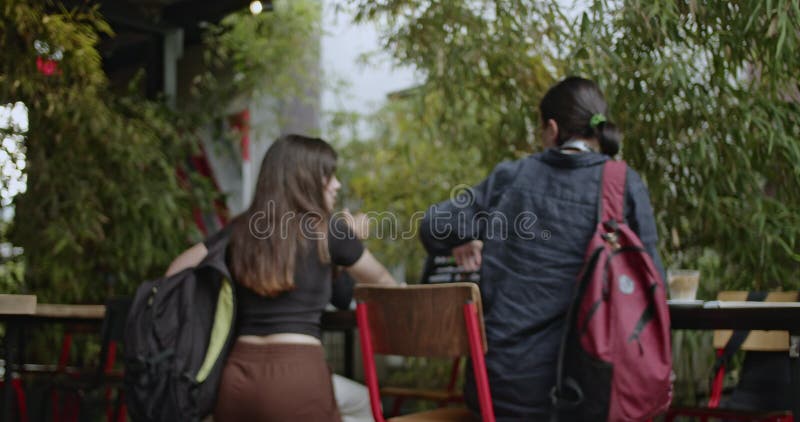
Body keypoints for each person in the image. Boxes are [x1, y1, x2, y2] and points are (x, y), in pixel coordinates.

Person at [419, 76, 665, 420]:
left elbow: (432, 225)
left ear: (552, 129)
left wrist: (462, 236)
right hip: (593, 393)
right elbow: (655, 287)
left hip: (502, 391)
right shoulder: (622, 184)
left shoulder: (512, 178)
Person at [167, 134, 394, 421]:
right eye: (329, 175)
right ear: (305, 179)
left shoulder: (241, 229)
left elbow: (176, 271)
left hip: (236, 378)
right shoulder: (330, 230)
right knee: (368, 407)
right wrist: (353, 241)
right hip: (297, 376)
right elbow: (383, 283)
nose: (336, 184)